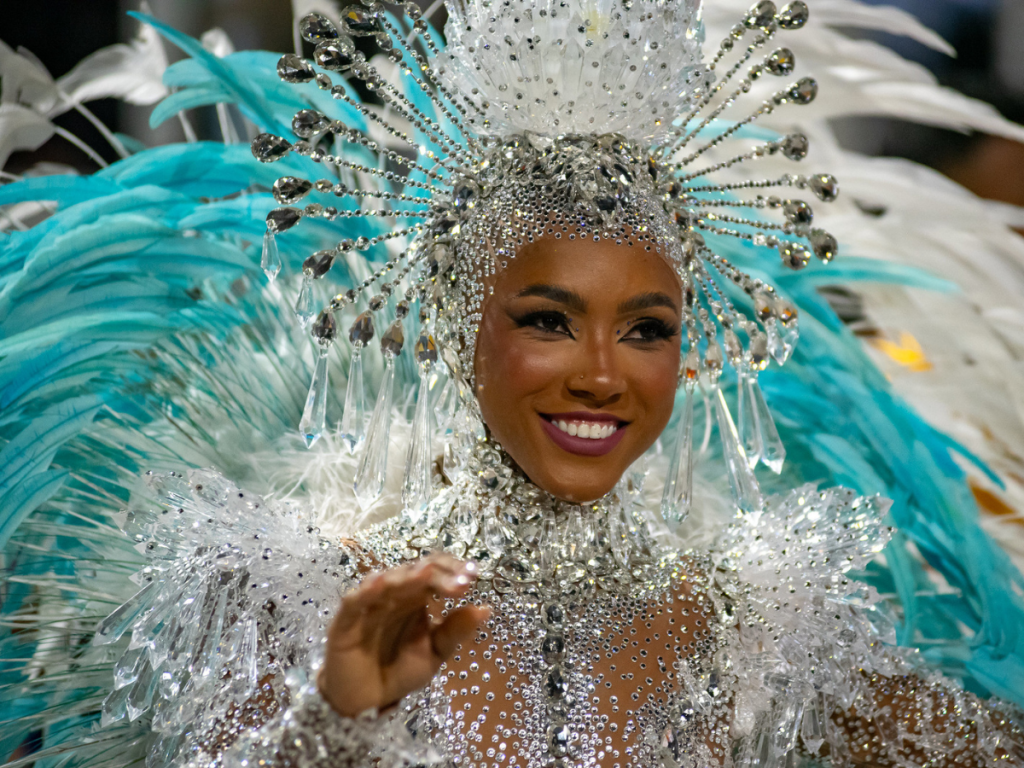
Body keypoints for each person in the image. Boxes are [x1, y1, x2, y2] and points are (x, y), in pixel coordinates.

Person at [4, 1, 1024, 767]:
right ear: (461, 327)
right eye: (547, 320)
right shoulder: (297, 595)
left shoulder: (757, 628)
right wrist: (333, 726)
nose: (598, 374)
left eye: (645, 329)